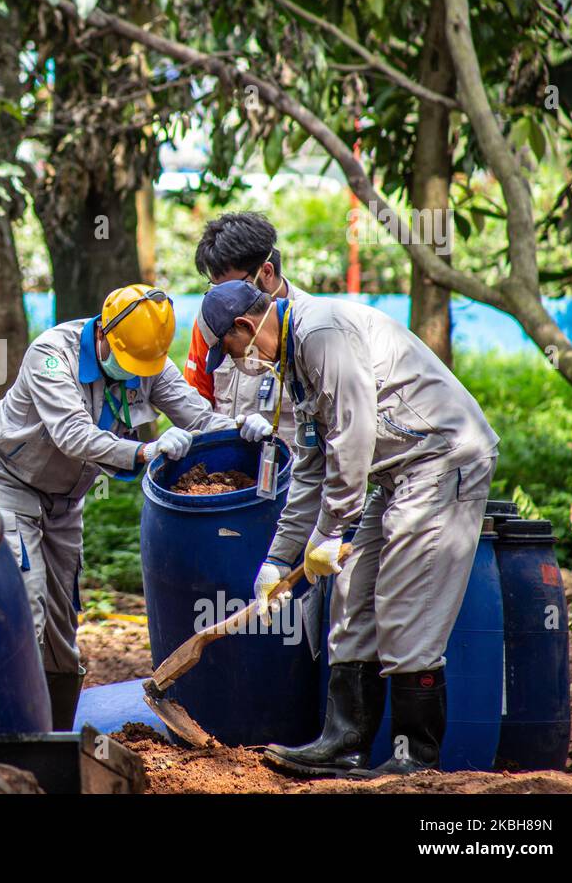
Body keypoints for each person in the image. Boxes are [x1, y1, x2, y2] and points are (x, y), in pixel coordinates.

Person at [196, 279, 499, 777]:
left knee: (406, 605)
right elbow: (314, 463)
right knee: (352, 593)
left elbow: (353, 435)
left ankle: (414, 757)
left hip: (442, 459)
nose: (235, 362)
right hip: (396, 472)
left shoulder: (323, 334)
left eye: (230, 349)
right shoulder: (294, 362)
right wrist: (280, 555)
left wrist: (329, 529)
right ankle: (344, 744)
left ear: (247, 326)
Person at [0, 285, 265, 729]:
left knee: (63, 624)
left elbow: (197, 418)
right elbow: (73, 435)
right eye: (130, 363)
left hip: (63, 500)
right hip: (5, 482)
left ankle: (53, 739)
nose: (136, 374)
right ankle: (2, 737)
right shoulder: (52, 356)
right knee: (25, 605)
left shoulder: (149, 360)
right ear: (104, 333)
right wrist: (145, 451)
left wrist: (239, 428)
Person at [184, 212, 308, 443]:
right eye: (215, 288)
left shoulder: (309, 326)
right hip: (228, 471)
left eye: (235, 286)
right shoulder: (213, 322)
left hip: (295, 472)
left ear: (267, 272)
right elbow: (194, 404)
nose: (224, 300)